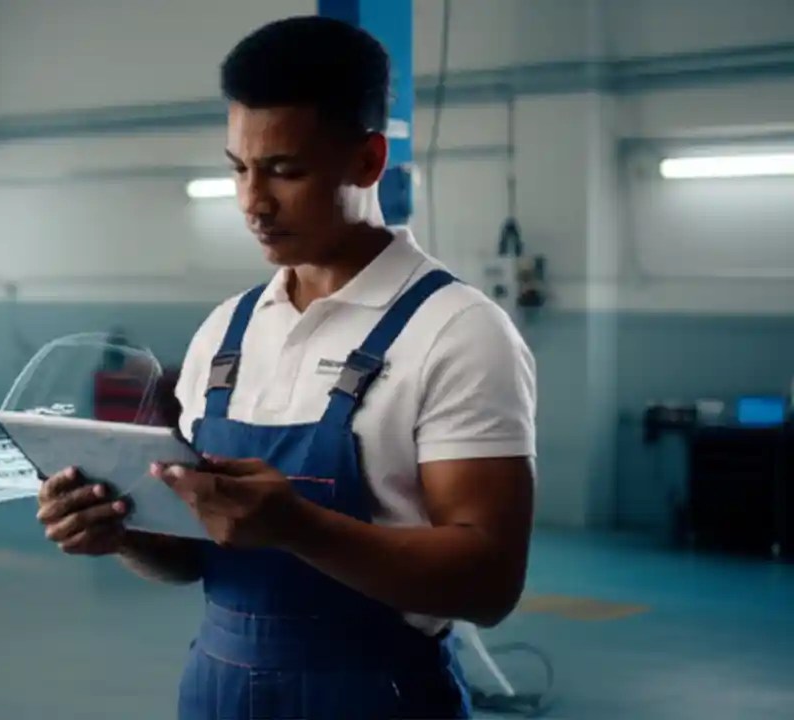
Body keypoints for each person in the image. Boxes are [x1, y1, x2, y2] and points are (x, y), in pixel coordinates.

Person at [35, 15, 536, 720]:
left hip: (377, 696)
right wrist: (122, 534)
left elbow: (489, 583)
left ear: (367, 162)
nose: (253, 202)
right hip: (218, 690)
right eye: (239, 168)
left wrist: (300, 526)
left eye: (284, 171)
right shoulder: (226, 333)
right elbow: (194, 557)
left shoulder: (457, 332)